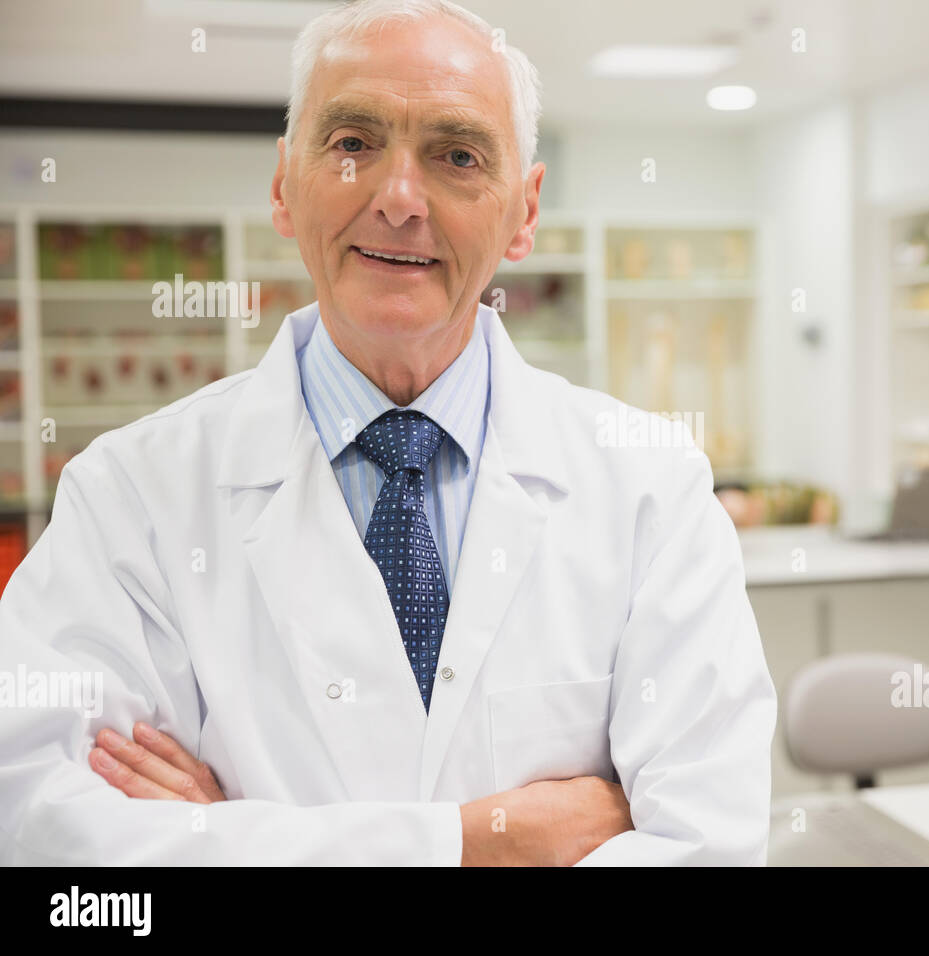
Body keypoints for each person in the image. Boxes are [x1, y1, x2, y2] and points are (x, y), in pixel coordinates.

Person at [0, 0, 777, 866]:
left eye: (456, 155)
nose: (399, 199)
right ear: (283, 186)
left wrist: (236, 839)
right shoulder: (131, 497)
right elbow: (44, 834)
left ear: (524, 211)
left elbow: (711, 846)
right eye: (352, 144)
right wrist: (491, 842)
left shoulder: (652, 488)